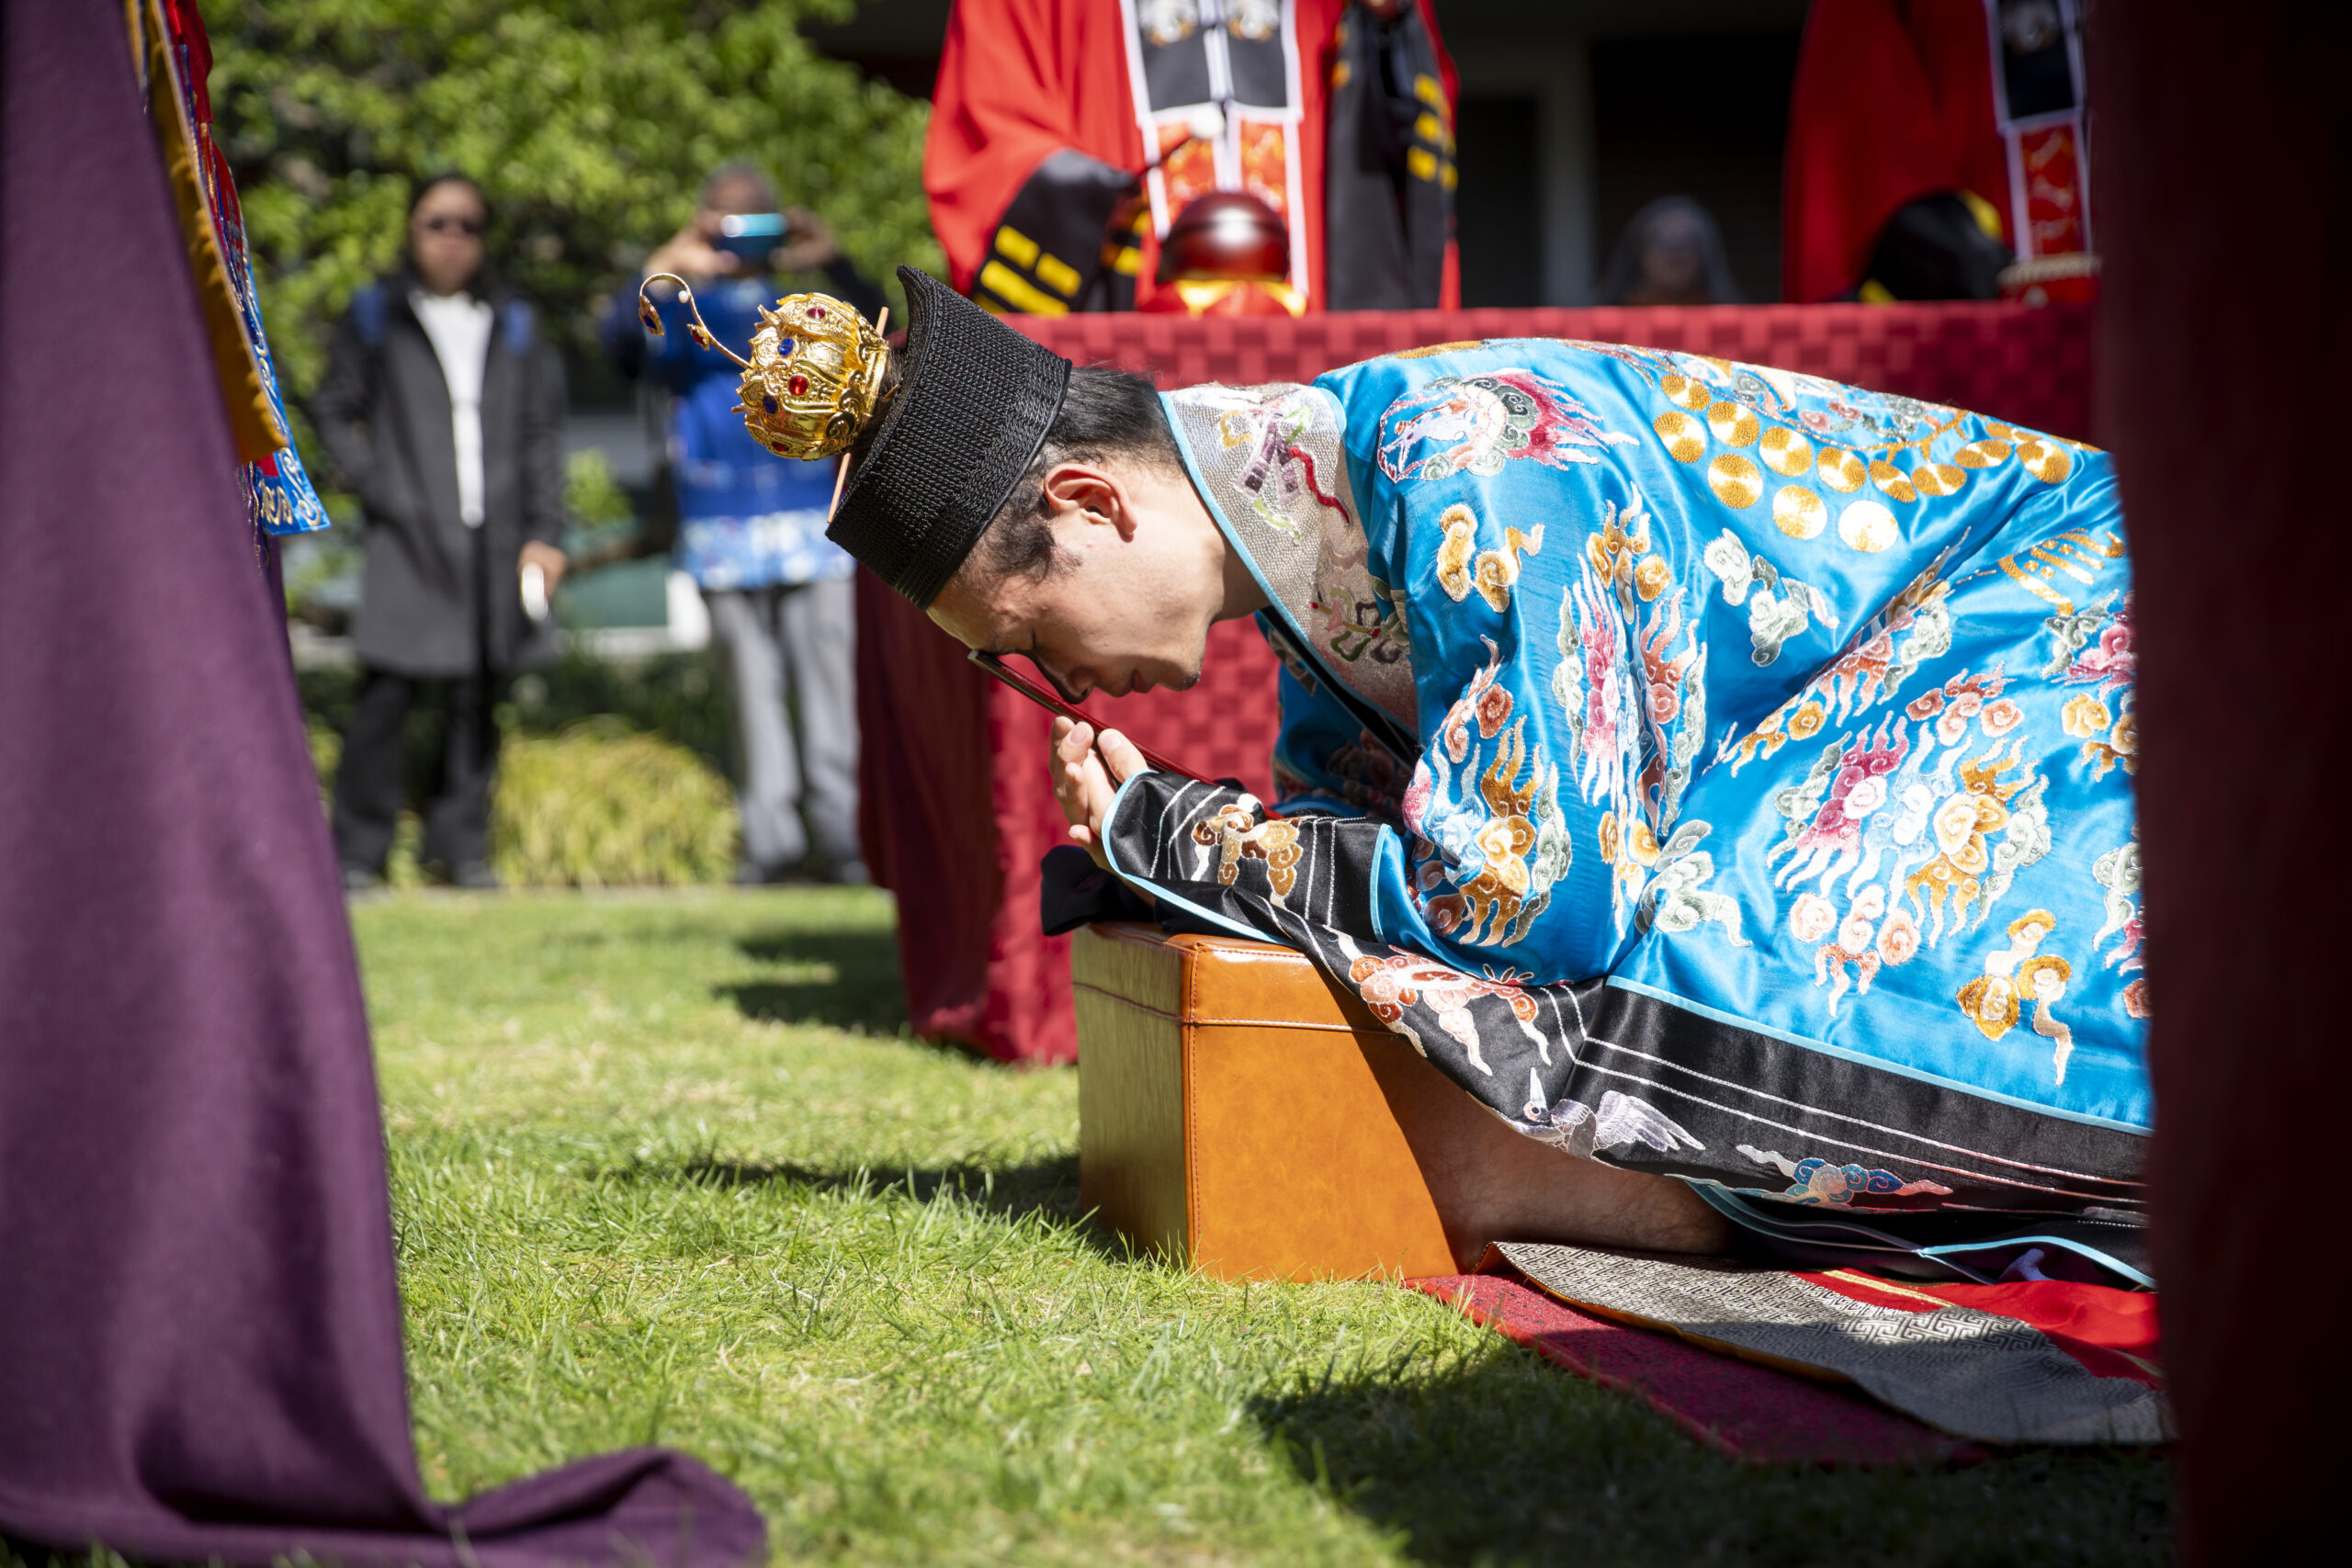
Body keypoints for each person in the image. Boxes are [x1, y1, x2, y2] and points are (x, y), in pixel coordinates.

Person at [676, 265, 2149, 1281]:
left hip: (2049, 634)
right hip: (1906, 676)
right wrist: (1205, 851)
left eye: (1027, 634)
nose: (1063, 684)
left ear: (1084, 500)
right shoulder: (1318, 538)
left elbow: (1529, 898)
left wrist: (1194, 834)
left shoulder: (1468, 451)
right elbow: (1378, 857)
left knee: (1697, 951)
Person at [604, 164, 878, 885]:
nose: (740, 245)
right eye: (726, 229)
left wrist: (835, 261)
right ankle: (773, 845)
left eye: (757, 226)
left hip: (809, 517)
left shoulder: (811, 297)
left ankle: (844, 839)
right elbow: (622, 352)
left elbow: (886, 347)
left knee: (828, 685)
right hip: (719, 519)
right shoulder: (680, 304)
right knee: (751, 691)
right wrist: (657, 270)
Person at [312, 175, 569, 889]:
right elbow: (334, 409)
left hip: (498, 534)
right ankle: (357, 854)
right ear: (411, 229)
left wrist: (547, 532)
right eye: (437, 223)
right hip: (410, 532)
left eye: (468, 225)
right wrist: (382, 487)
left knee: (478, 694)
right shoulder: (376, 313)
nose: (453, 238)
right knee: (388, 690)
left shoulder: (514, 319)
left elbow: (541, 432)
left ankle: (458, 848)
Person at [1596, 196, 1741, 306]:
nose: (1675, 249)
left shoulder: (1730, 320)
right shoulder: (1602, 321)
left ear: (1704, 255)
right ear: (1640, 254)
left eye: (1687, 241)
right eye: (1660, 241)